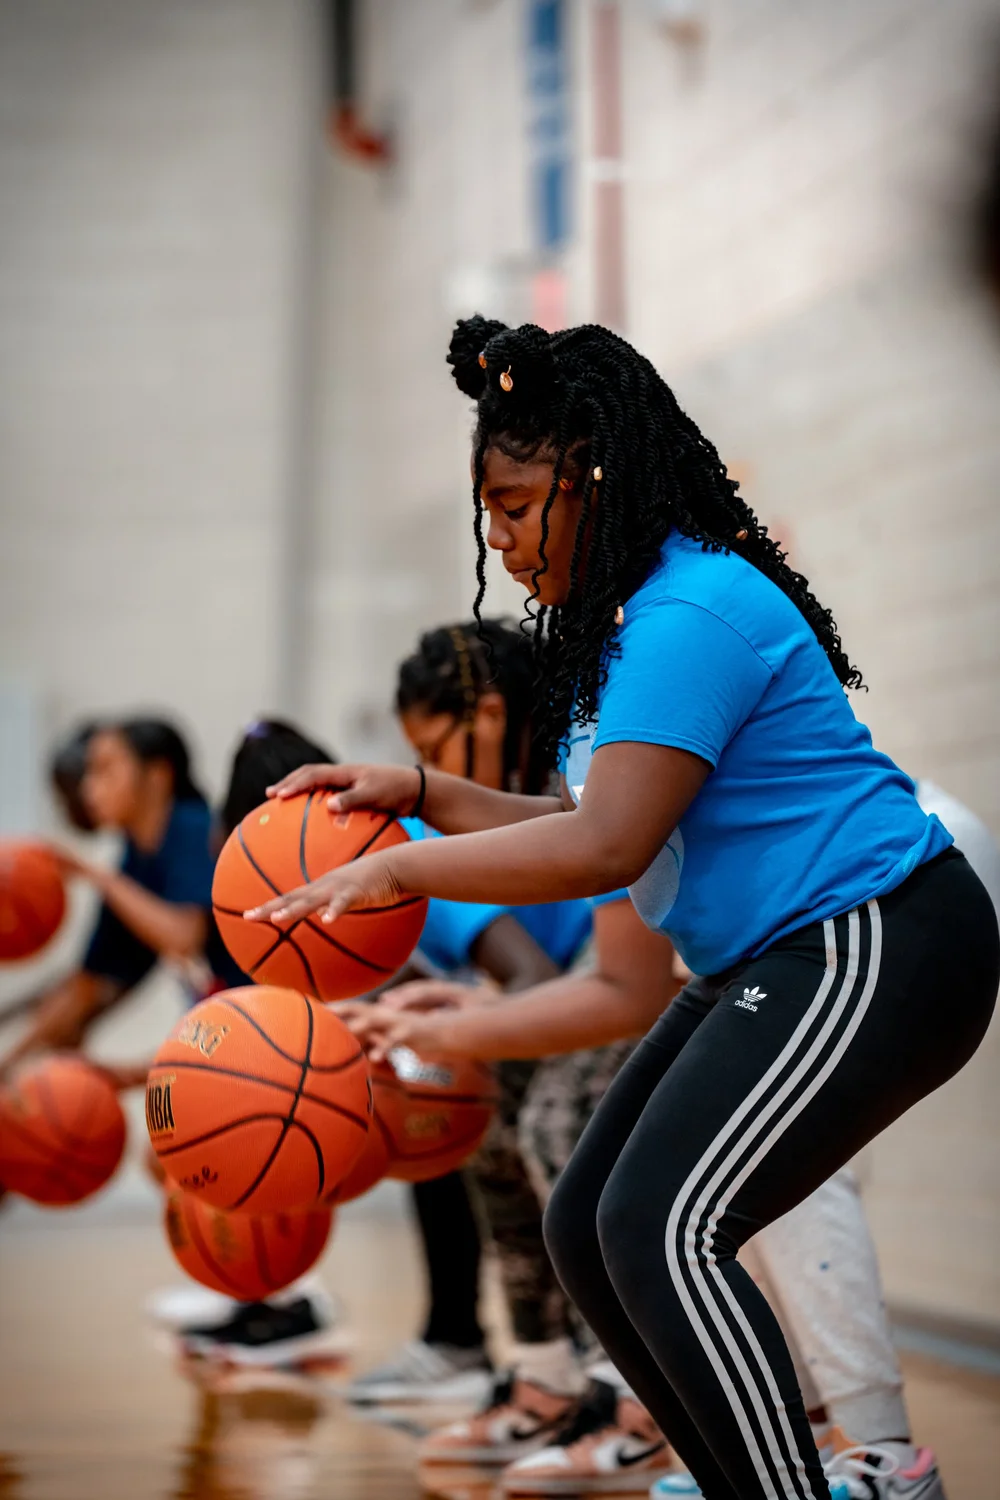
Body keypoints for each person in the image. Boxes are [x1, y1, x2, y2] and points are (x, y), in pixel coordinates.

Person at [248, 317, 999, 1500]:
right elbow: (584, 820)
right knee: (592, 1224)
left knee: (661, 1223)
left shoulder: (690, 613)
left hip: (875, 935)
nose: (496, 538)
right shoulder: (627, 628)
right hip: (779, 953)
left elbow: (604, 845)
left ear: (592, 479)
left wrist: (400, 871)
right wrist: (422, 795)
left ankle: (827, 1470)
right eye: (486, 510)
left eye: (514, 505)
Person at [177, 714, 562, 1376]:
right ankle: (472, 1345)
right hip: (527, 1014)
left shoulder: (402, 859)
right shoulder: (311, 913)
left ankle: (500, 1350)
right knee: (401, 1096)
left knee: (433, 1102)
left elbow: (535, 977)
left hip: (585, 1005)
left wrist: (448, 1029)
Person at [1, 717, 216, 1078]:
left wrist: (94, 874)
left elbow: (183, 936)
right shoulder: (134, 861)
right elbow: (87, 987)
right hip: (229, 1029)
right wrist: (10, 1064)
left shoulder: (197, 829)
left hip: (276, 1019)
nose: (88, 788)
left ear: (158, 775)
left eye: (104, 770)